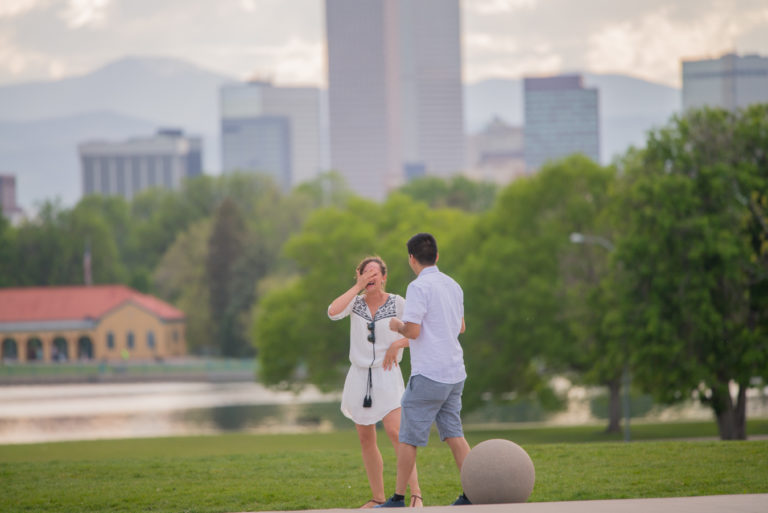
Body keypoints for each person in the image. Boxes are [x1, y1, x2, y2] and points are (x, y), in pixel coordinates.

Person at [379, 233, 472, 507]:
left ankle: (398, 498)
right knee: (454, 434)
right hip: (455, 373)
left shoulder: (417, 287)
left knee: (408, 438)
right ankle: (473, 493)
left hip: (429, 374)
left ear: (411, 259)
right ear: (437, 256)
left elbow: (413, 331)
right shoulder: (453, 285)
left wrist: (396, 325)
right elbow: (461, 327)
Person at [328, 256, 423, 508]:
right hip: (359, 376)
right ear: (359, 276)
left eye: (374, 273)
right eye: (365, 273)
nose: (370, 277)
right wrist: (357, 287)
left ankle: (415, 494)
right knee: (365, 439)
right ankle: (378, 497)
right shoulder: (354, 302)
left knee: (396, 432)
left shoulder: (398, 302)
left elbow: (419, 332)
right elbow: (333, 312)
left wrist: (397, 343)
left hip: (387, 373)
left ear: (384, 277)